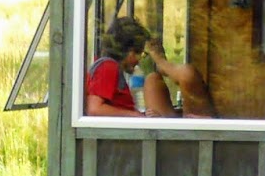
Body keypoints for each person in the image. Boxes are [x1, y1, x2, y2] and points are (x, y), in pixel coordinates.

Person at [85, 16, 217, 118]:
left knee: (153, 79)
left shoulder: (111, 68)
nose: (139, 60)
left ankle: (162, 66)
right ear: (128, 50)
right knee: (154, 79)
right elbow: (94, 109)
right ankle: (162, 65)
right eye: (139, 53)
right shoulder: (107, 66)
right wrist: (137, 116)